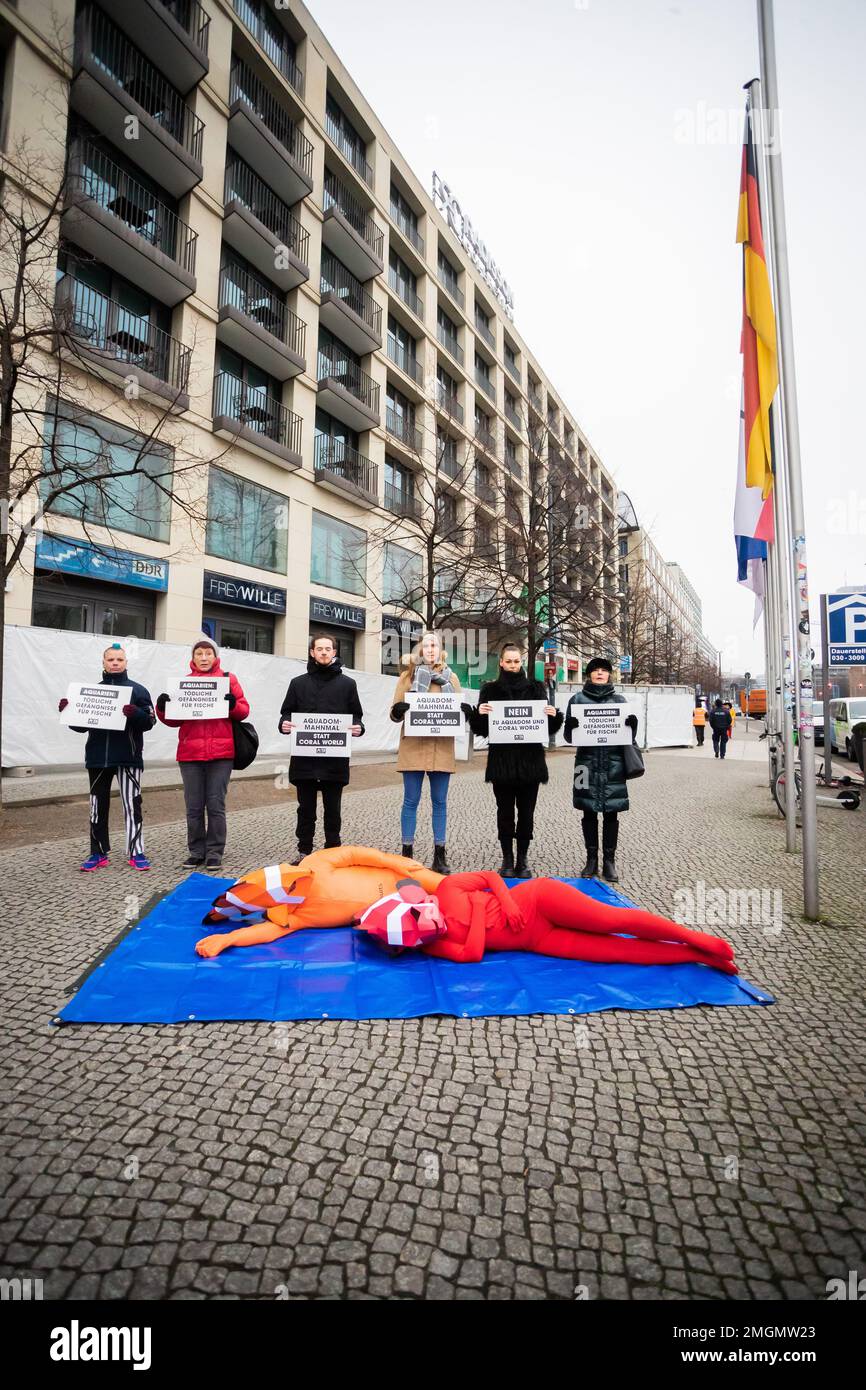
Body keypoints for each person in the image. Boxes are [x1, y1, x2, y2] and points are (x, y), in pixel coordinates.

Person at [356, 872, 738, 973]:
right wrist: (475, 913)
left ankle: (694, 938)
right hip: (535, 940)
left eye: (423, 919)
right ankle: (694, 955)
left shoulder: (450, 886)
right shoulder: (433, 944)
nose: (431, 927)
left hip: (538, 901)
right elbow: (472, 954)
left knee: (610, 920)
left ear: (417, 901)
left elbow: (491, 876)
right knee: (612, 952)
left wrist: (504, 901)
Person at [196, 845, 442, 956]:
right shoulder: (295, 915)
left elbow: (355, 853)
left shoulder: (314, 864)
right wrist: (228, 939)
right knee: (448, 918)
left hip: (400, 878)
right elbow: (268, 932)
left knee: (450, 887)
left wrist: (395, 862)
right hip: (399, 910)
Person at [467, 642, 563, 878]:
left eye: (516, 661)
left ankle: (523, 858)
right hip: (502, 763)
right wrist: (477, 715)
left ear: (521, 662)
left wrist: (554, 716)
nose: (512, 665)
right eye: (508, 661)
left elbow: (546, 728)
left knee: (527, 814)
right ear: (501, 662)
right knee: (505, 813)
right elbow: (482, 730)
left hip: (530, 763)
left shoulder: (536, 688)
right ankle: (507, 859)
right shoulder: (490, 690)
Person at [59, 642, 155, 871]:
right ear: (103, 662)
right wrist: (68, 712)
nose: (115, 663)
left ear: (126, 663)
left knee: (132, 805)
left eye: (119, 659)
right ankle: (97, 852)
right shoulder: (91, 691)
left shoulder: (138, 690)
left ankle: (136, 851)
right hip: (98, 757)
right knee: (96, 806)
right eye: (110, 659)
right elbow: (81, 727)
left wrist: (135, 714)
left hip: (128, 757)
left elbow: (150, 721)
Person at [156, 636, 249, 869]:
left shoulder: (228, 680)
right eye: (199, 653)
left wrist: (232, 706)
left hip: (221, 753)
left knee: (215, 804)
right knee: (194, 806)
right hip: (190, 754)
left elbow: (244, 710)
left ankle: (215, 852)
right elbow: (173, 721)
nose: (204, 657)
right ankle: (196, 851)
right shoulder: (184, 683)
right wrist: (162, 707)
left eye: (208, 653)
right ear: (193, 658)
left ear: (216, 657)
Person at [279, 635, 364, 864]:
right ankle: (304, 851)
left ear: (334, 652)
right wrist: (284, 724)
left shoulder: (348, 684)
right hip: (304, 759)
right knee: (305, 809)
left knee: (332, 809)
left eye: (328, 648)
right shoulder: (298, 683)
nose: (324, 652)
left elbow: (356, 715)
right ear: (312, 652)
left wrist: (359, 727)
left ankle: (332, 850)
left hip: (334, 760)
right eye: (319, 649)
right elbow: (286, 713)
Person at [389, 631, 464, 874]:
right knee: (410, 801)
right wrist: (399, 711)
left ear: (441, 650)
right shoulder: (407, 677)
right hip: (413, 746)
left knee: (440, 802)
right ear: (420, 649)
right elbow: (393, 713)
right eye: (426, 645)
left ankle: (439, 855)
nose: (430, 649)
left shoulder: (451, 678)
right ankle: (407, 853)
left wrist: (464, 711)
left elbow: (457, 712)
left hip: (441, 748)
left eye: (435, 645)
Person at [564, 656, 637, 884]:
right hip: (585, 764)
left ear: (609, 675)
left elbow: (629, 737)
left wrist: (631, 727)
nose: (599, 673)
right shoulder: (577, 699)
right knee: (587, 810)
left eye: (603, 670)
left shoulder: (619, 700)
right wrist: (571, 727)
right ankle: (591, 859)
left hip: (613, 763)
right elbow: (568, 737)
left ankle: (609, 861)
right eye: (595, 670)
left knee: (611, 812)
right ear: (589, 674)